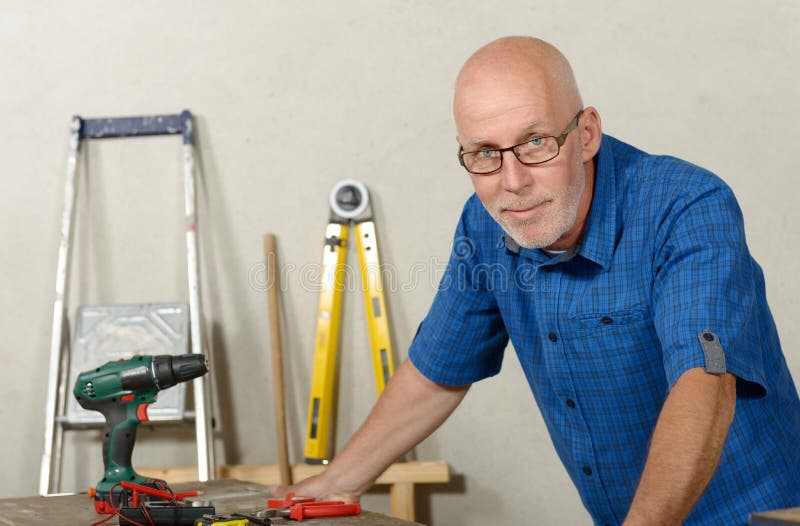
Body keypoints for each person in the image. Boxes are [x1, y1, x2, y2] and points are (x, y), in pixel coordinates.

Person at [272, 36, 800, 525]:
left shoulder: (685, 206)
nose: (513, 181)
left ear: (587, 132)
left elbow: (704, 382)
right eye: (485, 153)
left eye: (536, 142)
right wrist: (337, 484)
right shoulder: (485, 224)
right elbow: (438, 371)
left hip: (757, 515)